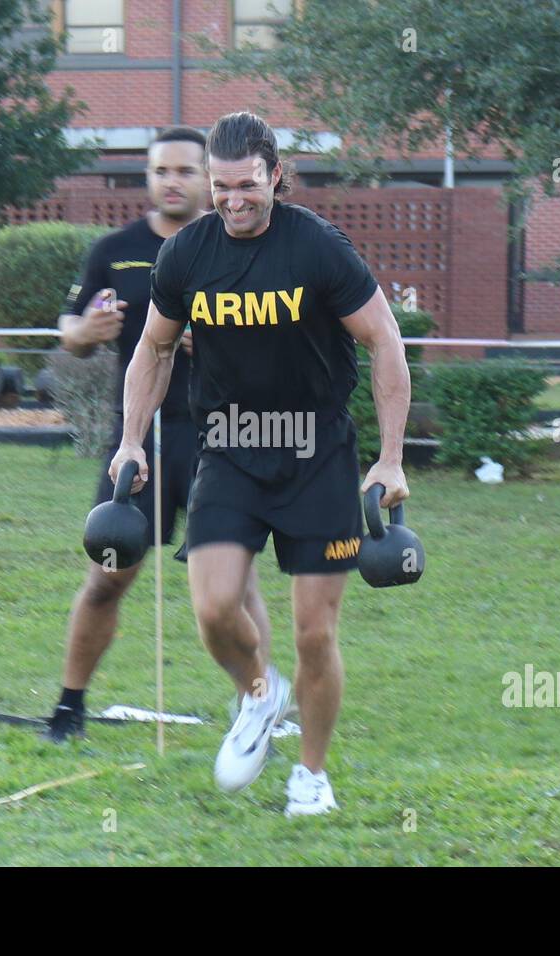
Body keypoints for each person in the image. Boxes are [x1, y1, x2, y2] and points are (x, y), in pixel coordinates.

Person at [111, 112, 411, 816]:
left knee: (314, 631)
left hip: (316, 450)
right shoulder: (187, 255)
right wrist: (130, 440)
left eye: (246, 185)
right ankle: (258, 691)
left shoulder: (317, 249)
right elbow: (153, 349)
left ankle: (310, 775)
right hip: (232, 446)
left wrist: (390, 459)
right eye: (220, 187)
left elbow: (386, 341)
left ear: (276, 174)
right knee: (215, 611)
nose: (233, 200)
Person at [50, 126, 273, 742]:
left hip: (221, 439)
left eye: (184, 171)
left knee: (234, 584)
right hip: (140, 439)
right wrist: (84, 332)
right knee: (106, 575)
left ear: (208, 178)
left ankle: (256, 706)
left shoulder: (242, 247)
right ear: (147, 178)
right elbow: (69, 326)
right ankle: (69, 706)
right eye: (159, 171)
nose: (171, 181)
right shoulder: (115, 250)